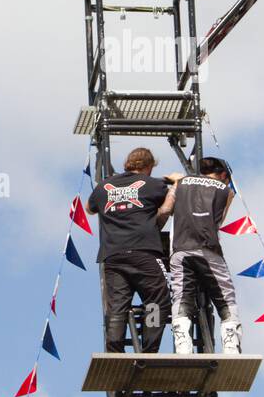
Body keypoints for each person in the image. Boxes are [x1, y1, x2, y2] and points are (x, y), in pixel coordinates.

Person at [87, 147, 180, 353]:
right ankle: (149, 350)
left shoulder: (103, 187)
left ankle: (114, 353)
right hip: (143, 251)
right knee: (157, 301)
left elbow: (89, 208)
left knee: (117, 306)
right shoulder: (153, 184)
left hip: (112, 255)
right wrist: (174, 186)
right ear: (148, 167)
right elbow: (168, 207)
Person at [169, 156, 244, 356]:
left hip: (180, 249)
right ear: (223, 175)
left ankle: (182, 344)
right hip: (207, 249)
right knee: (225, 298)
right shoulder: (226, 190)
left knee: (181, 296)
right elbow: (218, 222)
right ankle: (231, 345)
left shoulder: (181, 183)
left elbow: (167, 208)